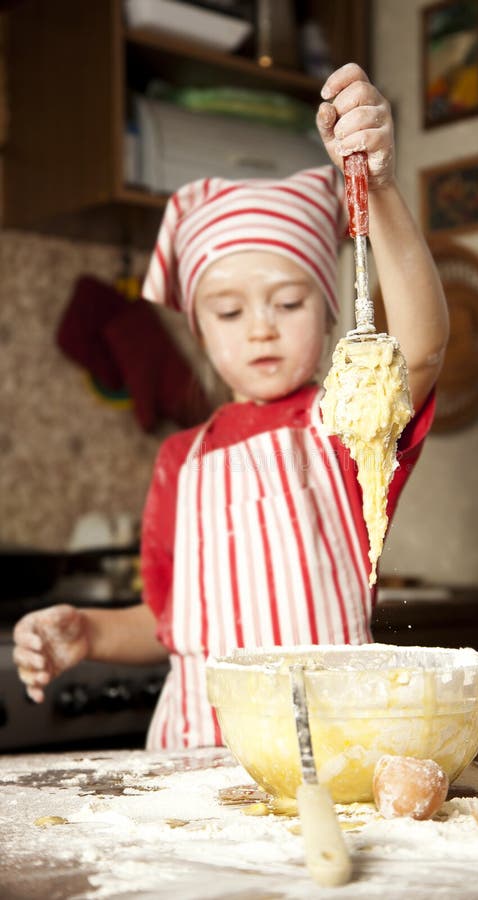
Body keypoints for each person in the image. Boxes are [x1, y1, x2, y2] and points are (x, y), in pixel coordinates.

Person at [13, 64, 449, 750]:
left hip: (330, 756)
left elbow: (420, 349)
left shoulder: (345, 423)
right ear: (200, 328)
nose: (260, 327)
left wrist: (382, 189)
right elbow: (168, 620)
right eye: (229, 309)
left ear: (331, 311)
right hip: (195, 760)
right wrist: (89, 631)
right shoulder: (180, 461)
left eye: (288, 301)